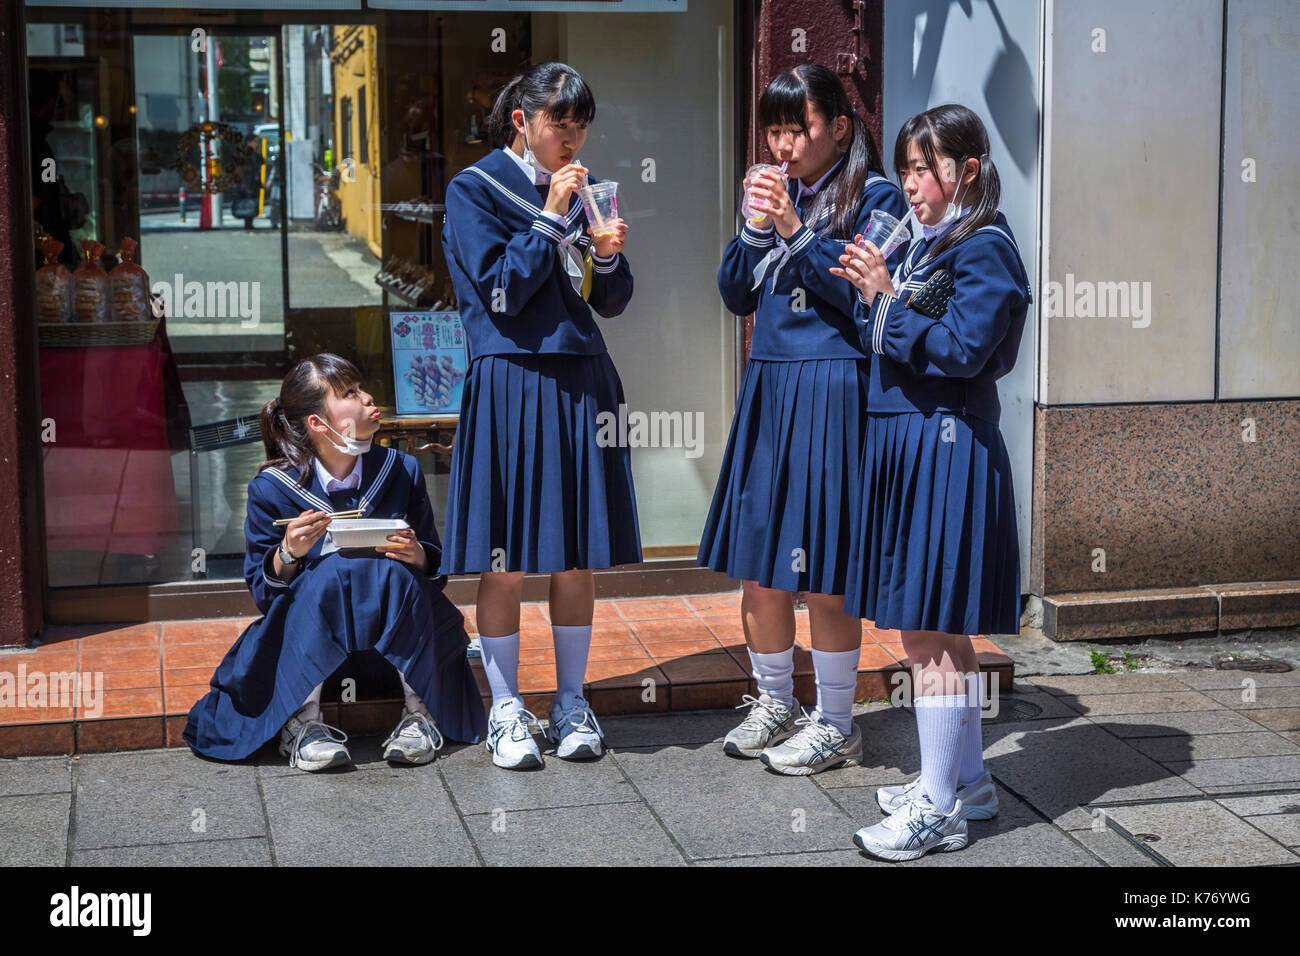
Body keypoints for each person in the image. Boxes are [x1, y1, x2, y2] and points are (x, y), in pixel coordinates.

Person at [831, 104, 1030, 859]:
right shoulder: (935, 242)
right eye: (907, 168)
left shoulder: (984, 248)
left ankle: (939, 807)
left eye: (924, 168)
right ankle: (968, 781)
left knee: (929, 629)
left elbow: (962, 350)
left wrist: (886, 298)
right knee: (935, 624)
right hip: (916, 447)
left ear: (965, 170)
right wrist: (870, 291)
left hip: (945, 448)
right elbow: (900, 337)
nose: (910, 184)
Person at [700, 64, 908, 774]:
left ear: (840, 129)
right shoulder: (777, 193)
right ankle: (775, 700)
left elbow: (857, 300)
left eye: (800, 129)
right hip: (772, 387)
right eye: (775, 129)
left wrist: (792, 227)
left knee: (822, 567)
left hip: (833, 390)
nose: (783, 145)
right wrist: (757, 225)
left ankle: (838, 719)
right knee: (761, 565)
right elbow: (734, 293)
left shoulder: (876, 196)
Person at [439, 62, 638, 770]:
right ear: (522, 121)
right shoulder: (474, 189)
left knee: (576, 554)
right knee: (505, 561)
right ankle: (504, 708)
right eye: (561, 123)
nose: (573, 138)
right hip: (510, 379)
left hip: (582, 378)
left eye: (581, 125)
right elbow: (500, 291)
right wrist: (553, 216)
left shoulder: (582, 190)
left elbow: (611, 301)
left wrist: (608, 257)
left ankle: (572, 700)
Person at [184, 354, 484, 771]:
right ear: (318, 424)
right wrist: (288, 552)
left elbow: (434, 573)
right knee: (333, 571)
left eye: (361, 388)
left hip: (391, 649)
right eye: (350, 394)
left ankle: (420, 712)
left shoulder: (401, 470)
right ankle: (305, 723)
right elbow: (262, 593)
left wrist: (417, 555)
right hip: (314, 654)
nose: (367, 397)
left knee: (392, 572)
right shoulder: (273, 489)